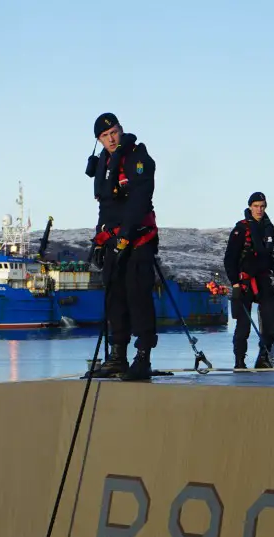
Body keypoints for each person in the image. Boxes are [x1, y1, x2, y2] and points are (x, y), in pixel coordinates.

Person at [85, 112, 159, 381]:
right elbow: (104, 204)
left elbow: (140, 198)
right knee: (114, 297)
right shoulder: (104, 160)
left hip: (137, 239)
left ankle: (143, 358)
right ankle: (118, 356)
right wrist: (100, 239)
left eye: (113, 132)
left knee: (138, 296)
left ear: (121, 130)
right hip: (112, 240)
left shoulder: (138, 157)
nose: (111, 138)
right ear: (99, 140)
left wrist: (126, 235)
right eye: (105, 136)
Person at [223, 191, 274, 369]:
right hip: (244, 281)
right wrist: (235, 284)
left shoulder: (268, 228)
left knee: (271, 318)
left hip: (262, 280)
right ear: (250, 207)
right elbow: (229, 259)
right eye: (256, 206)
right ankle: (239, 361)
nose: (259, 209)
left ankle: (263, 357)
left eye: (262, 206)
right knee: (243, 325)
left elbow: (268, 256)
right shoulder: (240, 229)